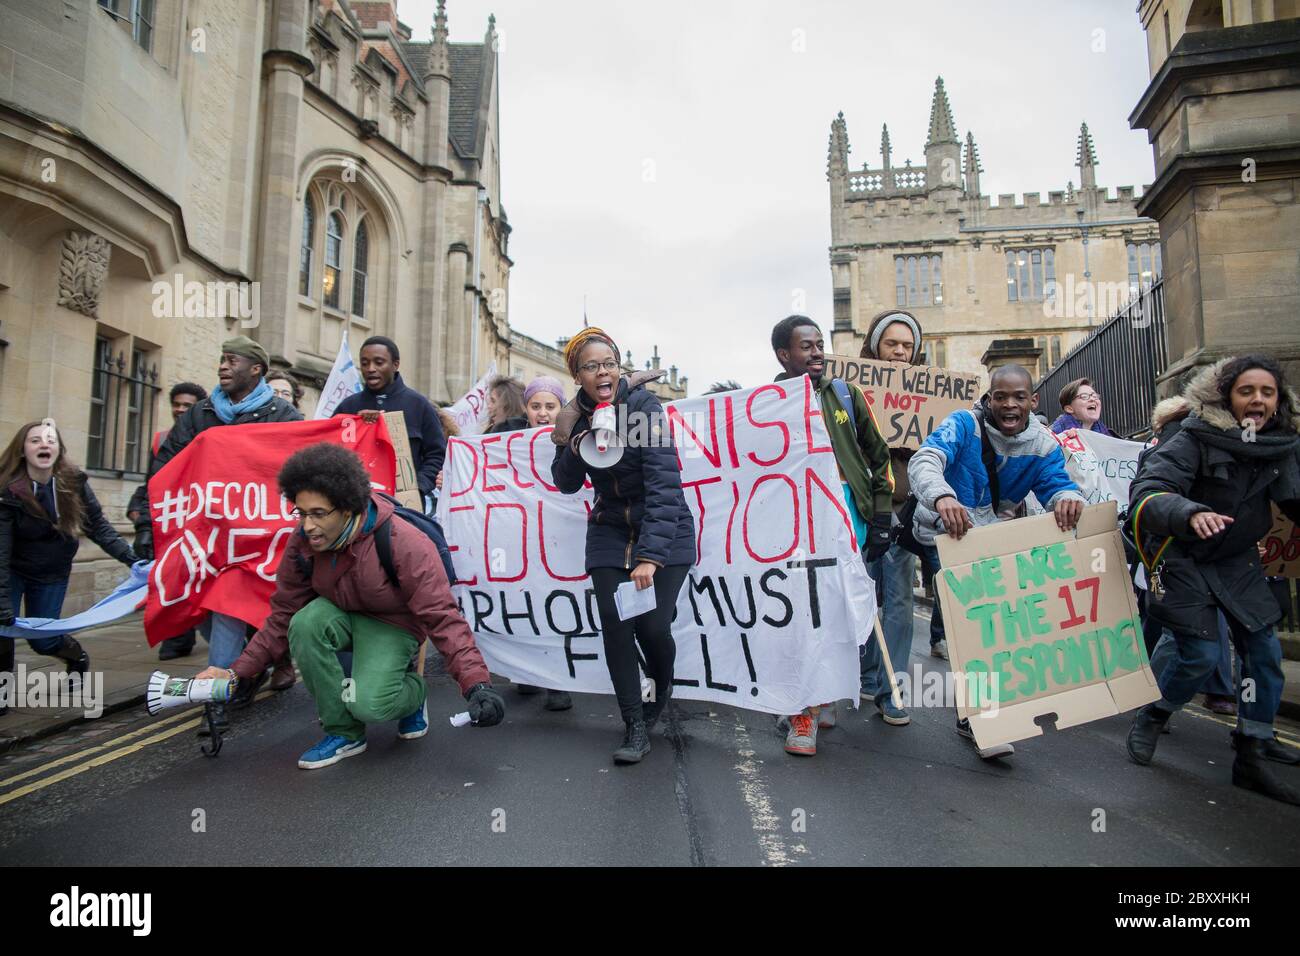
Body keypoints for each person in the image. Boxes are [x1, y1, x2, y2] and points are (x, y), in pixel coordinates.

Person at [193, 443, 504, 769]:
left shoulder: (404, 542)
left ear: (348, 508)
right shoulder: (302, 543)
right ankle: (344, 732)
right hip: (339, 615)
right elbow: (282, 617)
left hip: (393, 624)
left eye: (318, 514)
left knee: (370, 705)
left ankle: (413, 693)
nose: (307, 525)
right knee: (304, 622)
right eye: (301, 513)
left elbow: (443, 618)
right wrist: (234, 672)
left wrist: (476, 686)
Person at [1125, 355, 1300, 805]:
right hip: (1183, 558)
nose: (1258, 400)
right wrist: (1190, 512)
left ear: (1278, 401)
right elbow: (1148, 493)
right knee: (1201, 656)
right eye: (1247, 391)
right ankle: (1155, 713)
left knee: (1262, 651)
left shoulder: (1281, 444)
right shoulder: (1191, 435)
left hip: (1236, 561)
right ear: (1227, 397)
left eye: (1267, 392)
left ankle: (1252, 747)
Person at [908, 363, 1085, 760]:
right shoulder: (962, 426)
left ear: (1032, 401)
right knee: (975, 621)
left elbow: (1058, 485)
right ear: (989, 399)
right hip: (947, 534)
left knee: (995, 626)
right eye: (1000, 396)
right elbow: (925, 460)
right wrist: (943, 497)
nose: (1009, 405)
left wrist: (1068, 499)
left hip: (993, 539)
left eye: (1018, 397)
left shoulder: (1043, 444)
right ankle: (982, 718)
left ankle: (978, 713)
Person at [550, 327, 695, 764]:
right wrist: (573, 445)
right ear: (578, 375)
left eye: (609, 363)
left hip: (663, 527)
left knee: (652, 627)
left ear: (619, 367)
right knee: (616, 624)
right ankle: (634, 724)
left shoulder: (643, 407)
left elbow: (665, 484)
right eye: (592, 366)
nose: (603, 372)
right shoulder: (573, 417)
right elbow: (565, 483)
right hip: (610, 529)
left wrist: (650, 556)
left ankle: (663, 682)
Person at [148, 336, 302, 733]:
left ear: (256, 369)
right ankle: (245, 674)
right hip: (207, 535)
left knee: (230, 607)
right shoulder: (199, 414)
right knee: (204, 609)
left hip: (254, 537)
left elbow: (308, 457)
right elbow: (166, 466)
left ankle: (217, 701)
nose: (222, 367)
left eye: (231, 361)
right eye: (220, 360)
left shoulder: (283, 414)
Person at [771, 315, 894, 755]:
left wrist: (880, 516)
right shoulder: (766, 403)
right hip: (794, 526)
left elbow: (878, 457)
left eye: (820, 344)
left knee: (840, 610)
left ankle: (824, 693)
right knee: (805, 613)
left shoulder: (847, 394)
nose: (818, 352)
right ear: (784, 355)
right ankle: (802, 716)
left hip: (847, 518)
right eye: (806, 346)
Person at [0, 421, 137, 714]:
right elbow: (1, 549)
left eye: (50, 440)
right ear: (23, 450)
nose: (43, 445)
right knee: (2, 629)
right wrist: (2, 602)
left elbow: (99, 527)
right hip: (12, 568)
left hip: (51, 571)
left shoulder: (72, 482)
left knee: (44, 641)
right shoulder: (7, 489)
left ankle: (77, 658)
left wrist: (132, 560)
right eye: (34, 440)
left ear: (59, 449)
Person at [856, 310, 932, 722]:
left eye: (907, 345)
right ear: (875, 347)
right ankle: (868, 672)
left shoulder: (932, 395)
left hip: (903, 510)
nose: (900, 352)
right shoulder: (850, 389)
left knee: (900, 598)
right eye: (892, 344)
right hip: (862, 508)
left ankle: (891, 687)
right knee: (862, 595)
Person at [126, 382, 205, 662]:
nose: (180, 410)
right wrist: (141, 518)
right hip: (171, 520)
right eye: (177, 404)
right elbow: (152, 483)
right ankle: (177, 636)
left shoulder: (209, 437)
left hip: (200, 520)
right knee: (173, 579)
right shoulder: (161, 440)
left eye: (187, 405)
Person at [508, 375, 574, 712]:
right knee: (525, 602)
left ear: (561, 408)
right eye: (536, 406)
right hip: (521, 536)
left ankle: (557, 681)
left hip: (559, 536)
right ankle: (527, 670)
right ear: (526, 408)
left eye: (550, 406)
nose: (543, 413)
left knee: (559, 607)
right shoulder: (505, 437)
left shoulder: (574, 435)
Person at [334, 336, 447, 515]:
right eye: (365, 363)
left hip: (405, 509)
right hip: (355, 507)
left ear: (395, 364)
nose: (371, 369)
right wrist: (358, 424)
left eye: (379, 362)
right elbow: (331, 453)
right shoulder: (347, 407)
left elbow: (437, 454)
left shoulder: (419, 405)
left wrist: (417, 487)